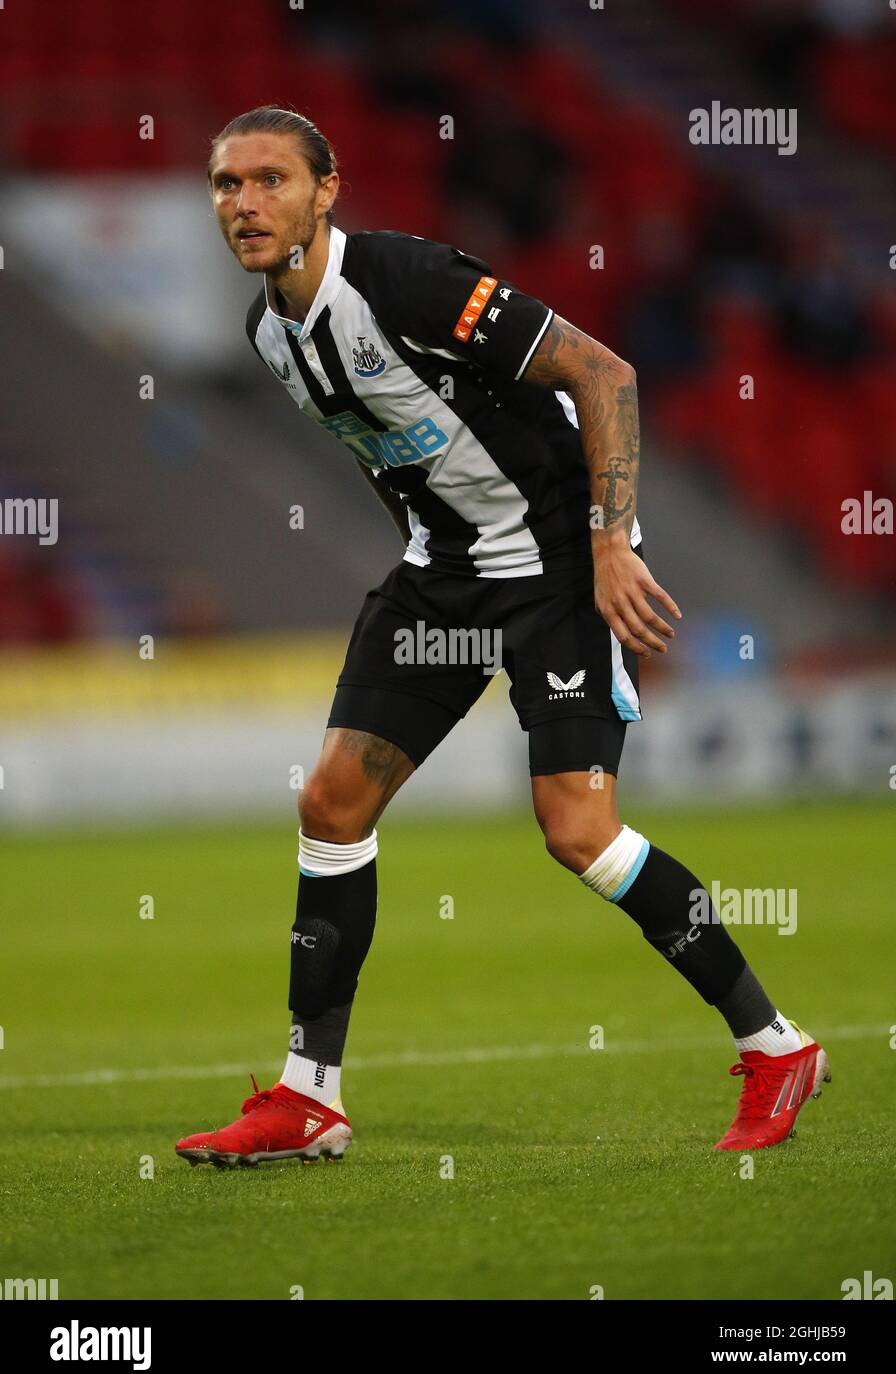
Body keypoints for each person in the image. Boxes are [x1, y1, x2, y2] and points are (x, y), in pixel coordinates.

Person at [175, 105, 829, 1167]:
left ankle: (775, 1047)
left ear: (324, 190)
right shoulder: (270, 335)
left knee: (577, 832)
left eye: (268, 180)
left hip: (560, 568)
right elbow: (391, 455)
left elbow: (604, 373)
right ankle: (309, 1098)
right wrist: (428, 565)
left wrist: (611, 544)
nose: (244, 203)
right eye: (225, 185)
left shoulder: (405, 280)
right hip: (444, 578)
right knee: (330, 802)